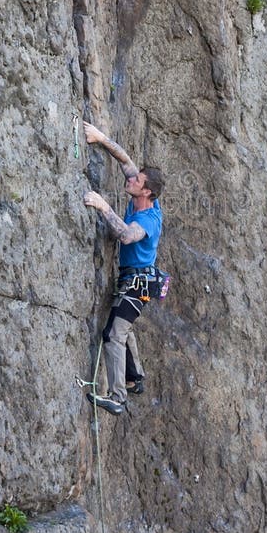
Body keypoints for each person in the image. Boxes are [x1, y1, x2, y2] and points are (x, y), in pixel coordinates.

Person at [82, 120, 164, 416]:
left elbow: (127, 236)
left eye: (137, 181)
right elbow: (126, 161)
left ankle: (118, 397)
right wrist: (100, 138)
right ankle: (134, 377)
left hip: (138, 284)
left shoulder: (148, 220)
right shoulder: (141, 197)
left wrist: (103, 206)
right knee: (124, 326)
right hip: (135, 281)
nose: (131, 180)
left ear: (146, 192)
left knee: (113, 334)